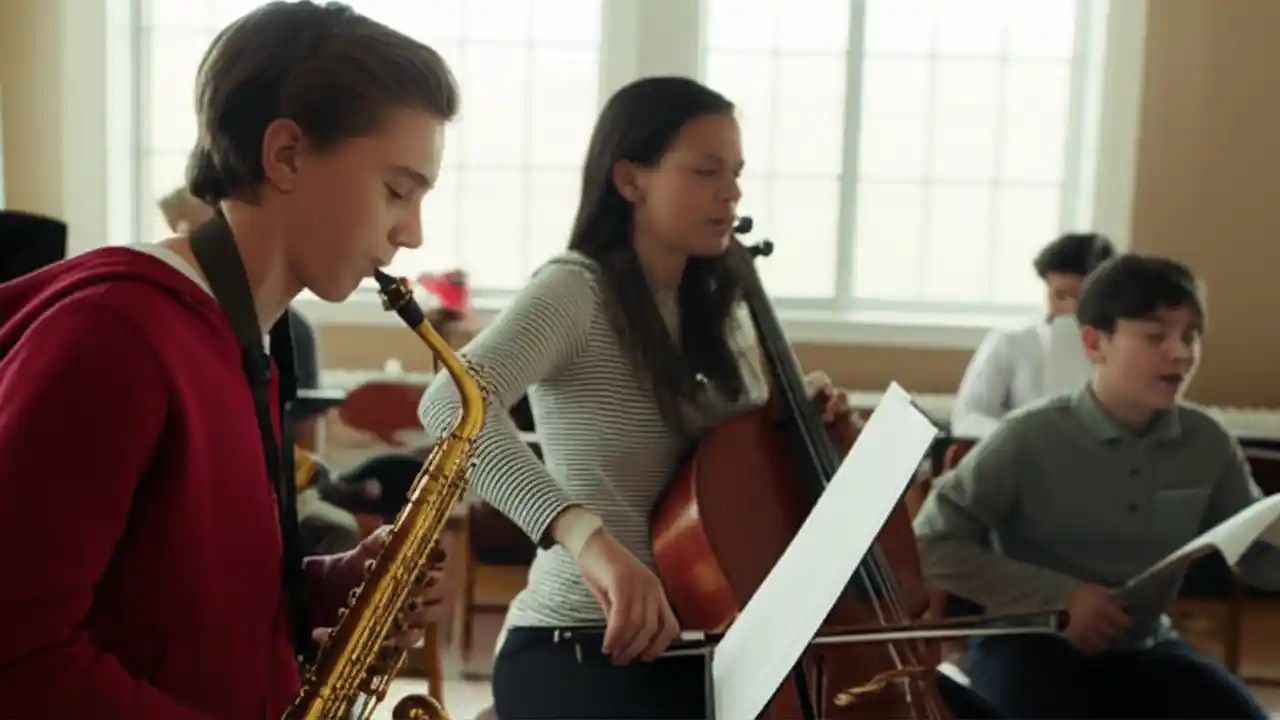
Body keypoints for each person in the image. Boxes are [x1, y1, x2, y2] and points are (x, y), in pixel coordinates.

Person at [418, 76, 1000, 719]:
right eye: (705, 170)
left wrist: (800, 420)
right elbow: (448, 403)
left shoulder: (723, 310)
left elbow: (732, 478)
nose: (732, 191)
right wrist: (587, 538)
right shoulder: (575, 291)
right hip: (583, 641)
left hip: (726, 647)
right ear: (630, 180)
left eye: (737, 172)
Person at [0, 2, 457, 717]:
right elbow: (19, 655)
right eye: (397, 190)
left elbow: (168, 591)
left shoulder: (248, 338)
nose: (412, 231)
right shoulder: (114, 337)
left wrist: (335, 583)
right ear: (286, 156)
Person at [914, 254, 1279, 719]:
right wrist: (1062, 596)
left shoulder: (1207, 442)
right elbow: (929, 543)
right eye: (1155, 336)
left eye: (1191, 335)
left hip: (1146, 648)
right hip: (1027, 648)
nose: (1182, 353)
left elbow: (1257, 556)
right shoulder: (1027, 436)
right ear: (1094, 342)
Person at [950, 232, 1116, 438]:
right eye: (1060, 295)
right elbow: (968, 416)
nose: (1071, 307)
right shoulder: (1011, 341)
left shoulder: (1120, 349)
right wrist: (1019, 440)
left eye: (1081, 297)